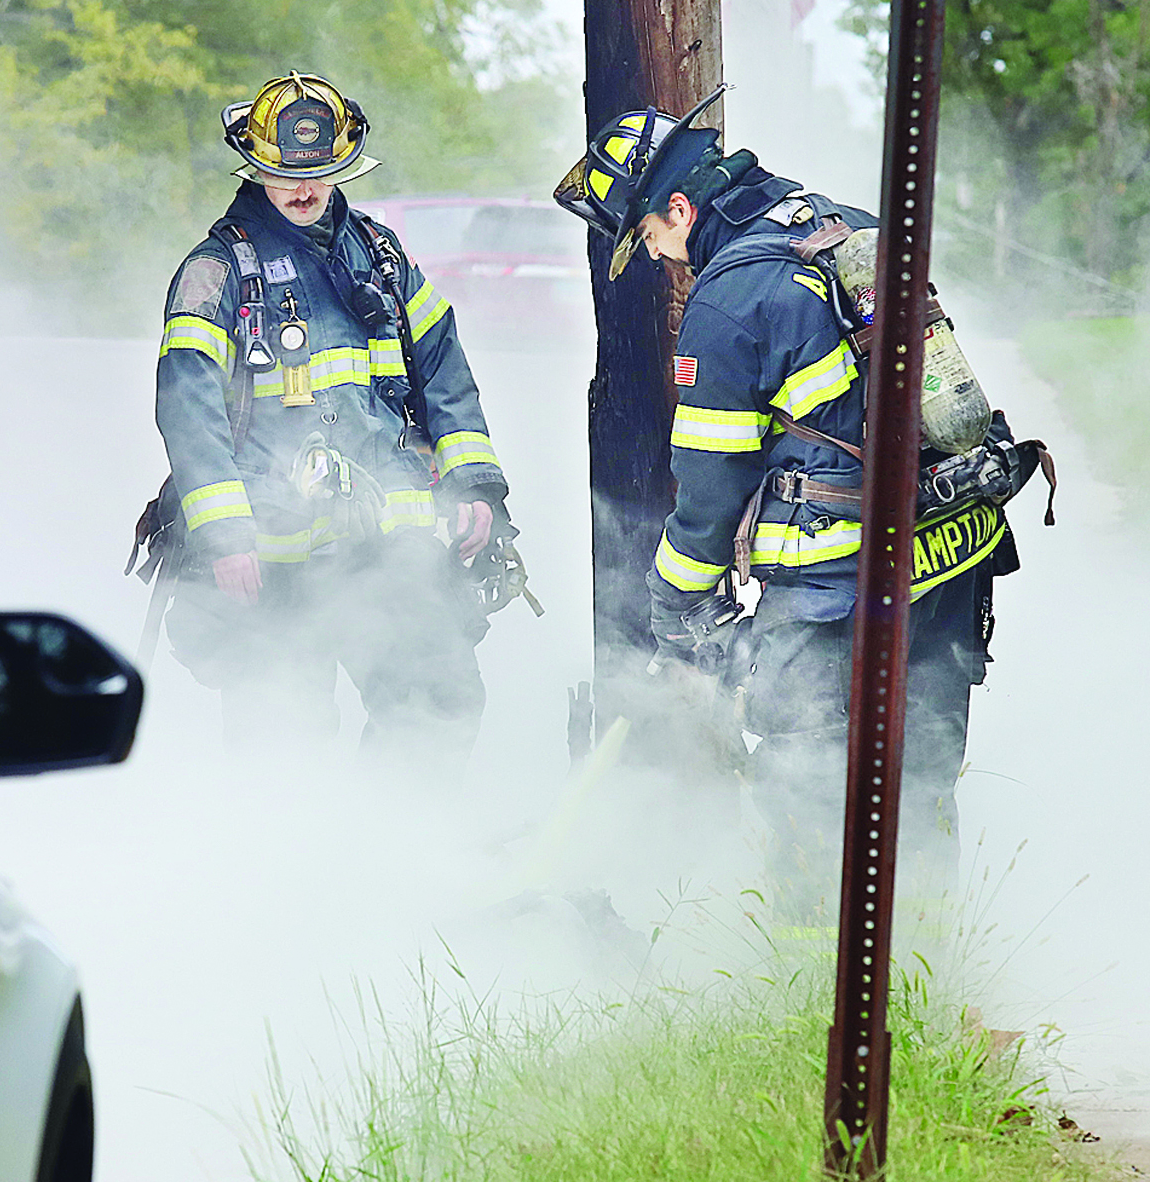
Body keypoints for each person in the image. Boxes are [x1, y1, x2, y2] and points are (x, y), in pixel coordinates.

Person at [552, 88, 1045, 921]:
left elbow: (708, 493)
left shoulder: (725, 301)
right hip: (953, 550)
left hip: (835, 585)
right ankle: (928, 965)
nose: (665, 258)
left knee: (806, 782)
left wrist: (674, 609)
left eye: (651, 237)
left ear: (679, 206)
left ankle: (815, 979)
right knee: (920, 772)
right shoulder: (846, 225)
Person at [140, 72, 515, 768]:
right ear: (254, 167)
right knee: (283, 743)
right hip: (271, 565)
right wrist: (225, 536)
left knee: (436, 703)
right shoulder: (215, 275)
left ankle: (405, 861)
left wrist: (475, 487)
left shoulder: (383, 259)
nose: (305, 190)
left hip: (390, 552)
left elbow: (445, 374)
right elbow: (187, 414)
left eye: (323, 174)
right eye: (284, 176)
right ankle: (296, 872)